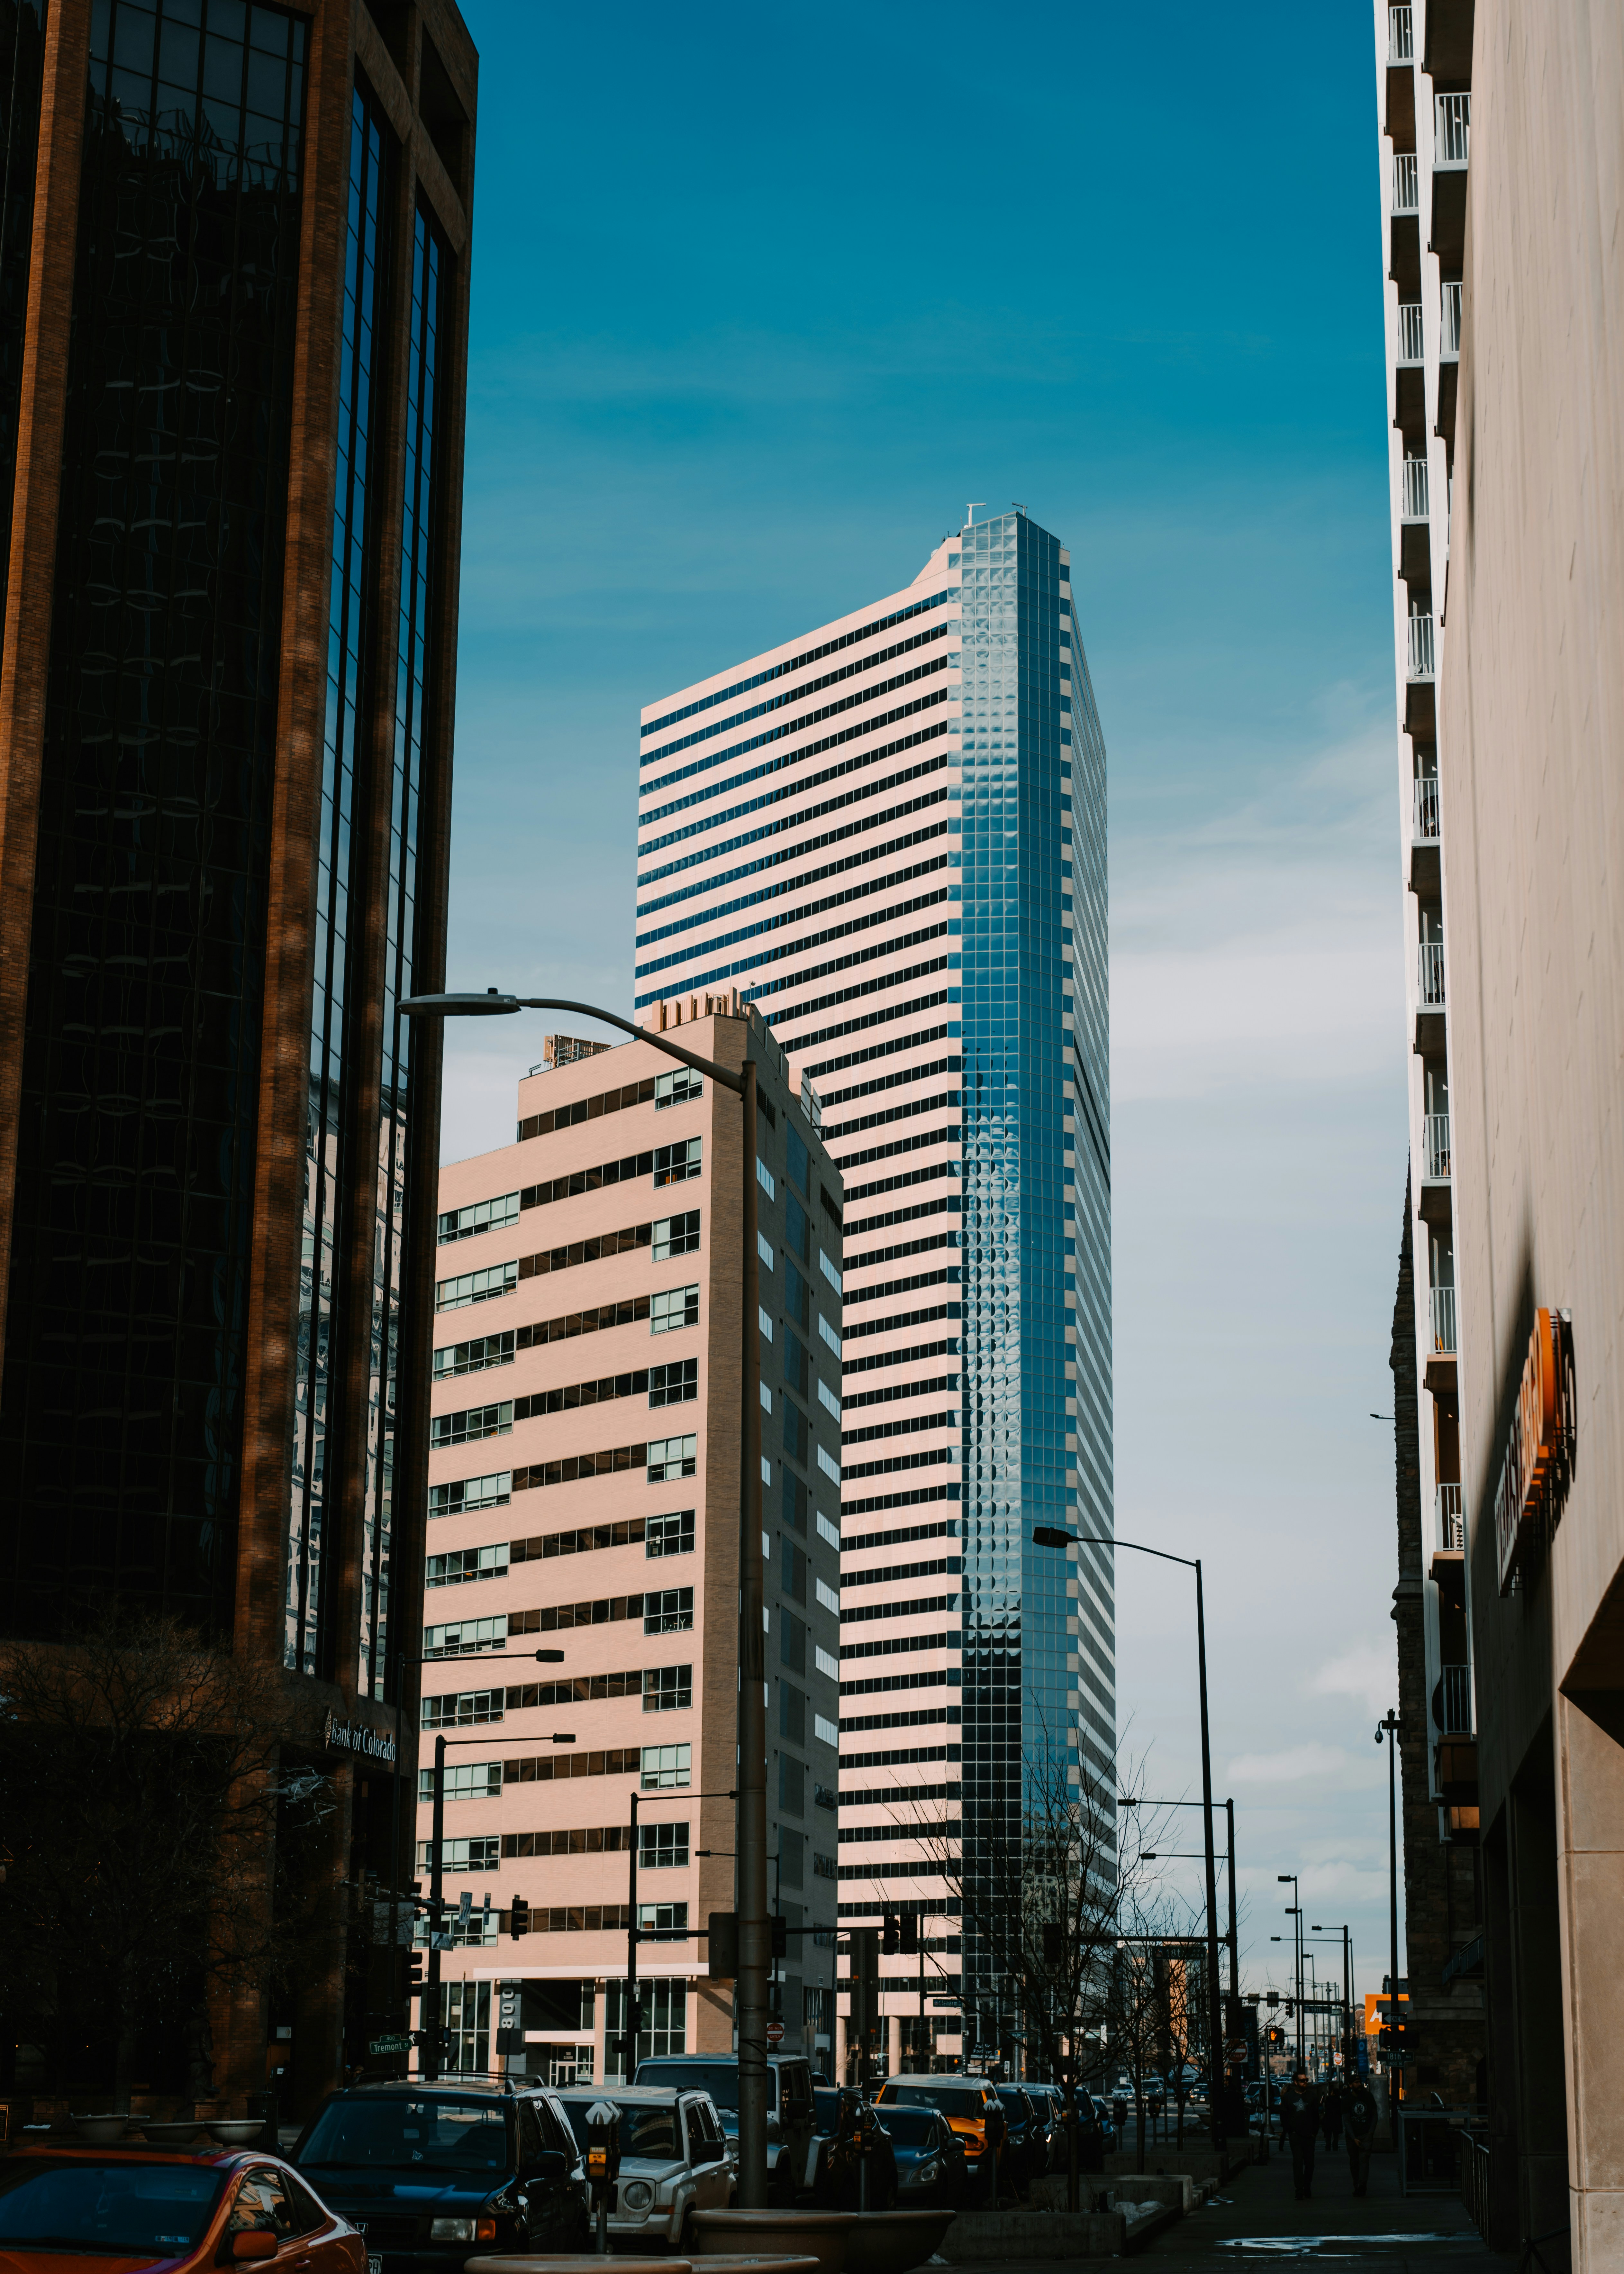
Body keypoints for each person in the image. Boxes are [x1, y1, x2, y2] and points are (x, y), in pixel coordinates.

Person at [1278, 2068, 1321, 2200]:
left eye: (1306, 2080)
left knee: (1310, 2163)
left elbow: (1316, 2116)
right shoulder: (1288, 2097)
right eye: (1302, 2081)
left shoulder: (1312, 2096)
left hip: (1309, 2135)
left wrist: (1315, 2132)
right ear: (1296, 2082)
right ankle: (1299, 2189)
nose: (1305, 2082)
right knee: (1297, 2162)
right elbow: (1284, 2116)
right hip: (1296, 2135)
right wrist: (1291, 2131)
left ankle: (1307, 2185)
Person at [1345, 2079, 1379, 2198]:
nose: (1359, 2084)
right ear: (1350, 2085)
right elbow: (1347, 2121)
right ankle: (1357, 2184)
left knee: (1364, 2160)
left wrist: (1370, 2132)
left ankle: (1362, 2185)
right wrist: (1353, 2138)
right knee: (1354, 2162)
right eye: (1355, 2082)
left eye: (1360, 2082)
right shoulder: (1347, 2099)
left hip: (1366, 2135)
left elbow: (1375, 2115)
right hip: (1352, 2137)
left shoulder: (1368, 2097)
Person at [1322, 2080, 1345, 2150]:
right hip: (1337, 2119)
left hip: (1329, 2119)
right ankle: (1335, 2146)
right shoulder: (1340, 2101)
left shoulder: (1328, 2100)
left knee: (1328, 2135)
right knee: (1336, 2135)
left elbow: (1325, 2107)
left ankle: (1328, 2146)